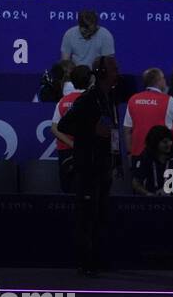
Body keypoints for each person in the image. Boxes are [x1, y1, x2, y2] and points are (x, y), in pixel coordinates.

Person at [57, 56, 122, 276]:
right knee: (87, 215)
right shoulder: (89, 98)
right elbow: (65, 124)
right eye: (113, 69)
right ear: (102, 72)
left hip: (103, 165)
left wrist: (116, 158)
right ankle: (85, 262)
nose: (117, 73)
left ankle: (97, 258)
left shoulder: (109, 97)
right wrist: (91, 131)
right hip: (88, 166)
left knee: (100, 214)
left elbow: (111, 129)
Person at [123, 67, 173, 162]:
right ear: (159, 81)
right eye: (163, 78)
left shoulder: (133, 99)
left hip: (138, 155)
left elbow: (127, 130)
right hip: (161, 156)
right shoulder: (167, 100)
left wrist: (130, 153)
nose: (165, 81)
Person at [50, 64, 92, 194]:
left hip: (66, 151)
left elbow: (54, 128)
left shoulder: (63, 102)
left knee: (68, 190)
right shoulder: (93, 101)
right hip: (88, 151)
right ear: (90, 81)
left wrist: (72, 144)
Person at [132, 125, 173, 196]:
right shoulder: (146, 155)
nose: (169, 144)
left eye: (170, 141)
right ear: (155, 143)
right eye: (165, 142)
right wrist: (147, 194)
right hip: (154, 197)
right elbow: (136, 182)